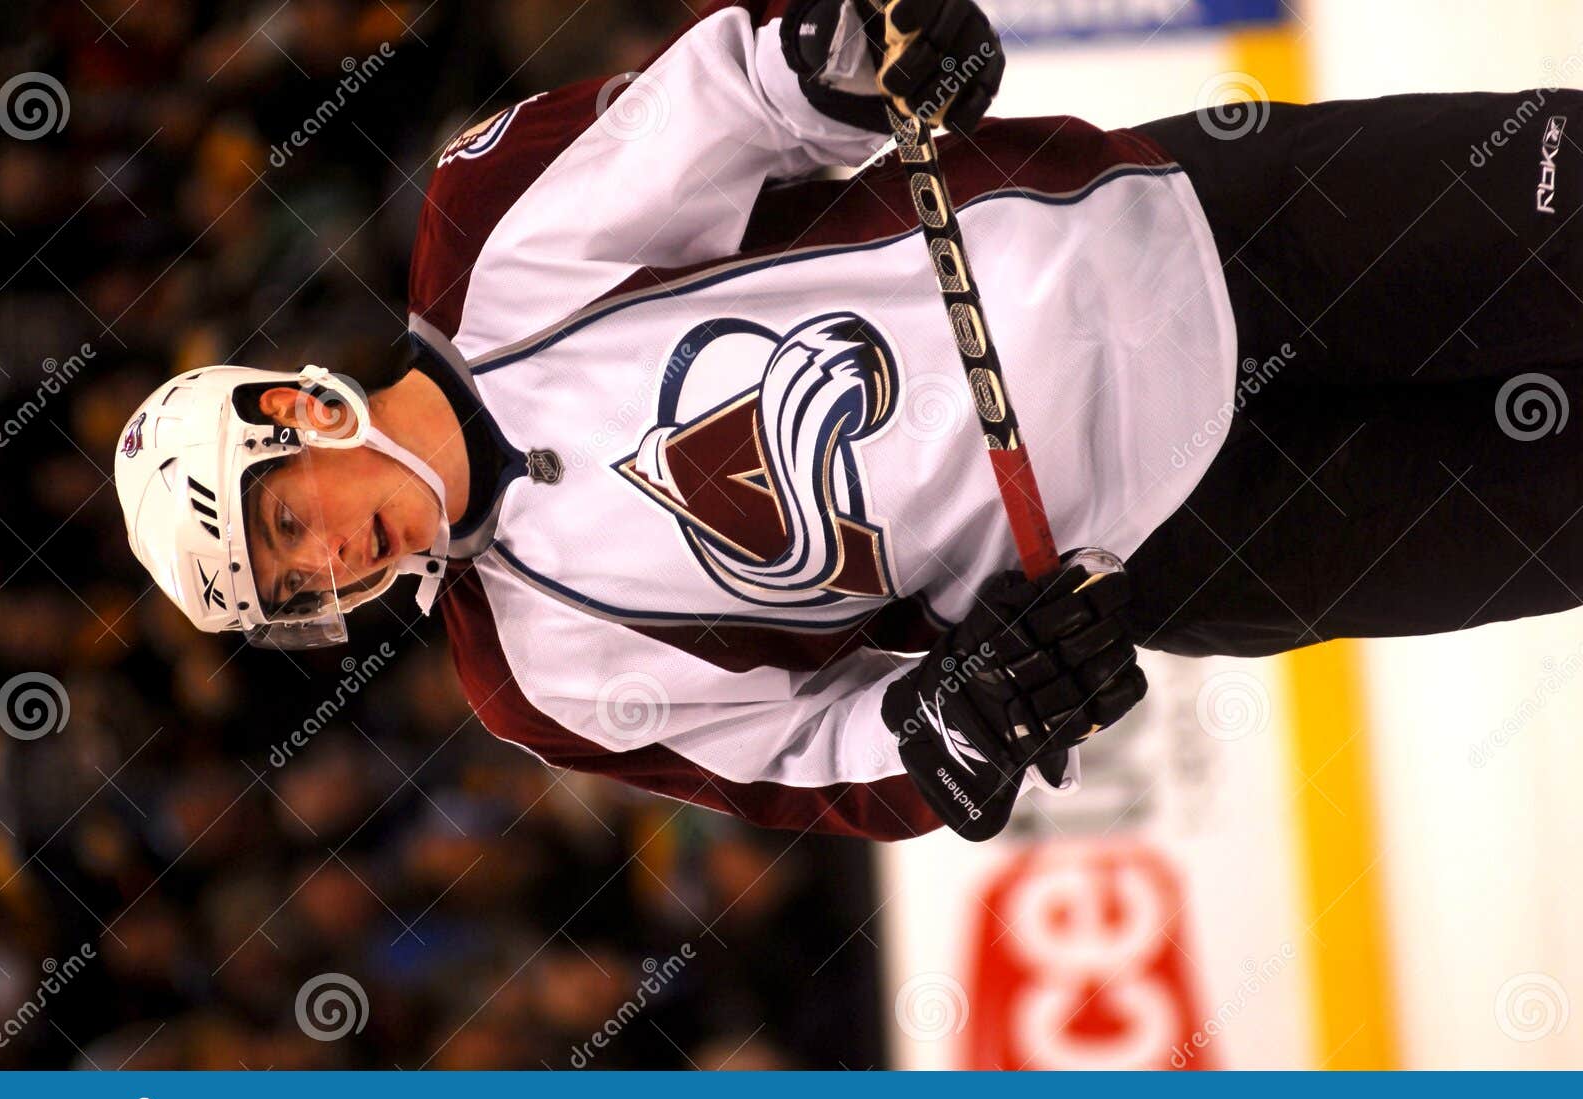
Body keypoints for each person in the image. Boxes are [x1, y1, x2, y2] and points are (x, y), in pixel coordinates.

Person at [115, 0, 1583, 842]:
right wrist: (948, 724)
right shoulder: (532, 675)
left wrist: (846, 44)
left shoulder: (488, 230)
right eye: (298, 590)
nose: (329, 564)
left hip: (1202, 226)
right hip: (1197, 541)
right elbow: (818, 753)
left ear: (295, 412)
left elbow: (745, 102)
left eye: (287, 520)